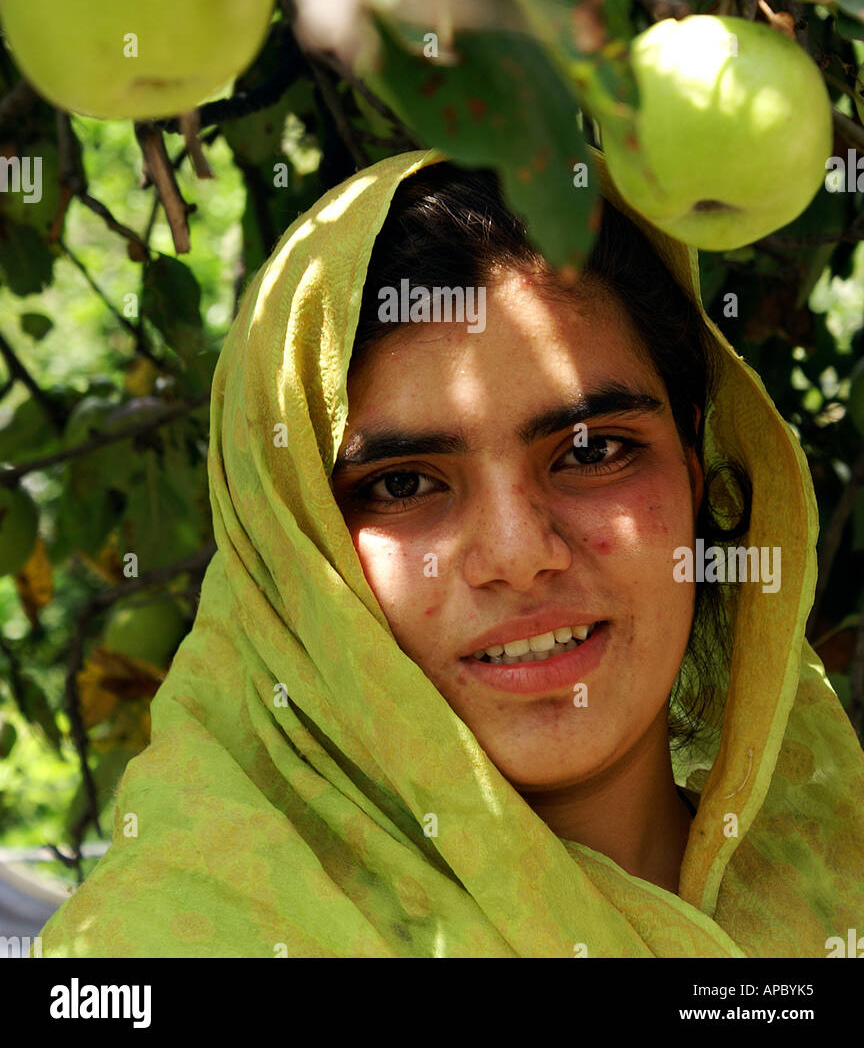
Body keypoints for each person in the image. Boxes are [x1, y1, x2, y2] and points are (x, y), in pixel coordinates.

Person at [37, 148, 864, 957]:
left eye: (588, 452)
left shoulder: (835, 897)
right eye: (402, 486)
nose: (519, 554)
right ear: (290, 553)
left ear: (693, 472)